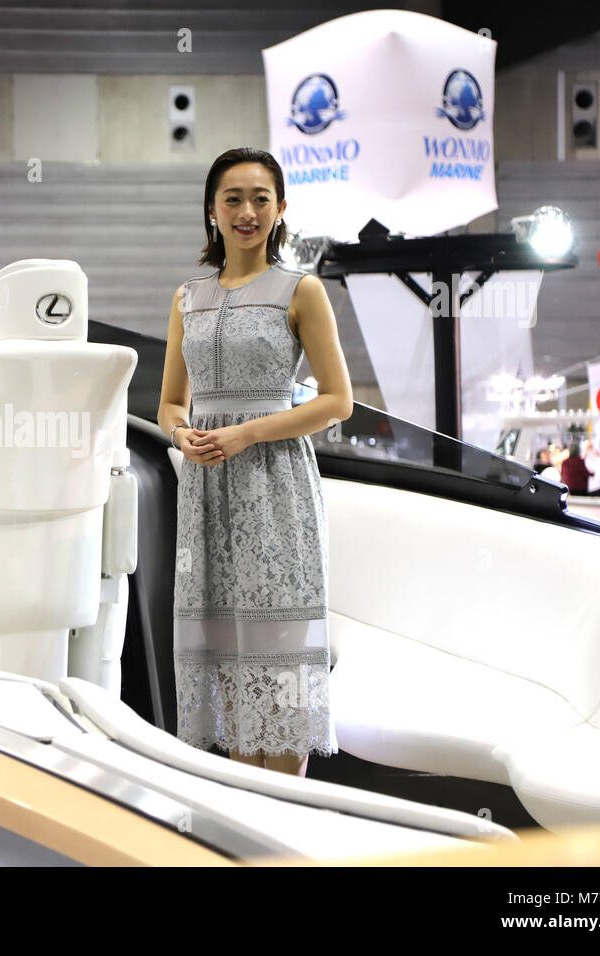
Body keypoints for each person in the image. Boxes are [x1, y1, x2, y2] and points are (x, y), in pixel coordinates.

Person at [157, 147, 353, 778]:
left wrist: (247, 434)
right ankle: (245, 829)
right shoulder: (187, 297)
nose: (247, 211)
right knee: (237, 667)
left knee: (283, 666)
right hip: (207, 491)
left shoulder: (301, 290)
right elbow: (168, 403)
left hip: (276, 487)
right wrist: (183, 433)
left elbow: (336, 401)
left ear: (280, 209)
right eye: (233, 199)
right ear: (211, 210)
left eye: (260, 198)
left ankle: (287, 827)